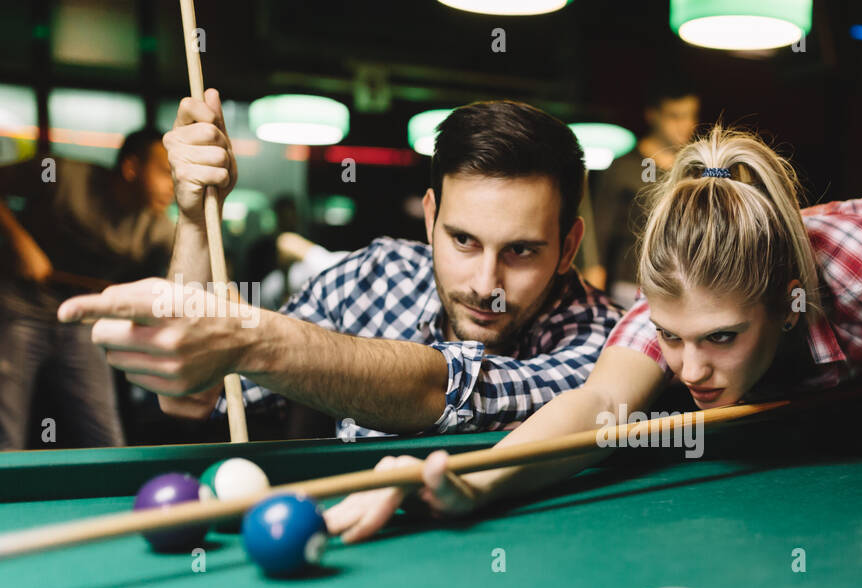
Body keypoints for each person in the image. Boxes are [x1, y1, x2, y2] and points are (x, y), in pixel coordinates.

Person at [326, 125, 862, 542]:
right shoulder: (656, 313)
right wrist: (474, 483)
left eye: (721, 338)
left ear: (788, 307)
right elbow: (598, 405)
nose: (688, 371)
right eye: (671, 336)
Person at [57, 95, 624, 439]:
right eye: (463, 241)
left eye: (521, 251)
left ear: (569, 246)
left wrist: (251, 340)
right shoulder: (372, 278)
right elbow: (194, 397)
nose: (485, 285)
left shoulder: (610, 343)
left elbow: (450, 388)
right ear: (430, 220)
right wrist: (192, 216)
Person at [0, 130, 174, 449]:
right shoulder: (60, 174)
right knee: (5, 432)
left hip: (82, 325)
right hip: (19, 313)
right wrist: (19, 243)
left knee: (105, 435)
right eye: (165, 173)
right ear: (132, 167)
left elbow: (179, 279)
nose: (173, 187)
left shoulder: (159, 228)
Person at [583, 82, 700, 306]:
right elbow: (598, 236)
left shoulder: (696, 169)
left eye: (689, 116)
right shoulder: (623, 167)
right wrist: (593, 300)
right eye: (675, 116)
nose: (684, 125)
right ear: (653, 115)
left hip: (688, 287)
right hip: (632, 286)